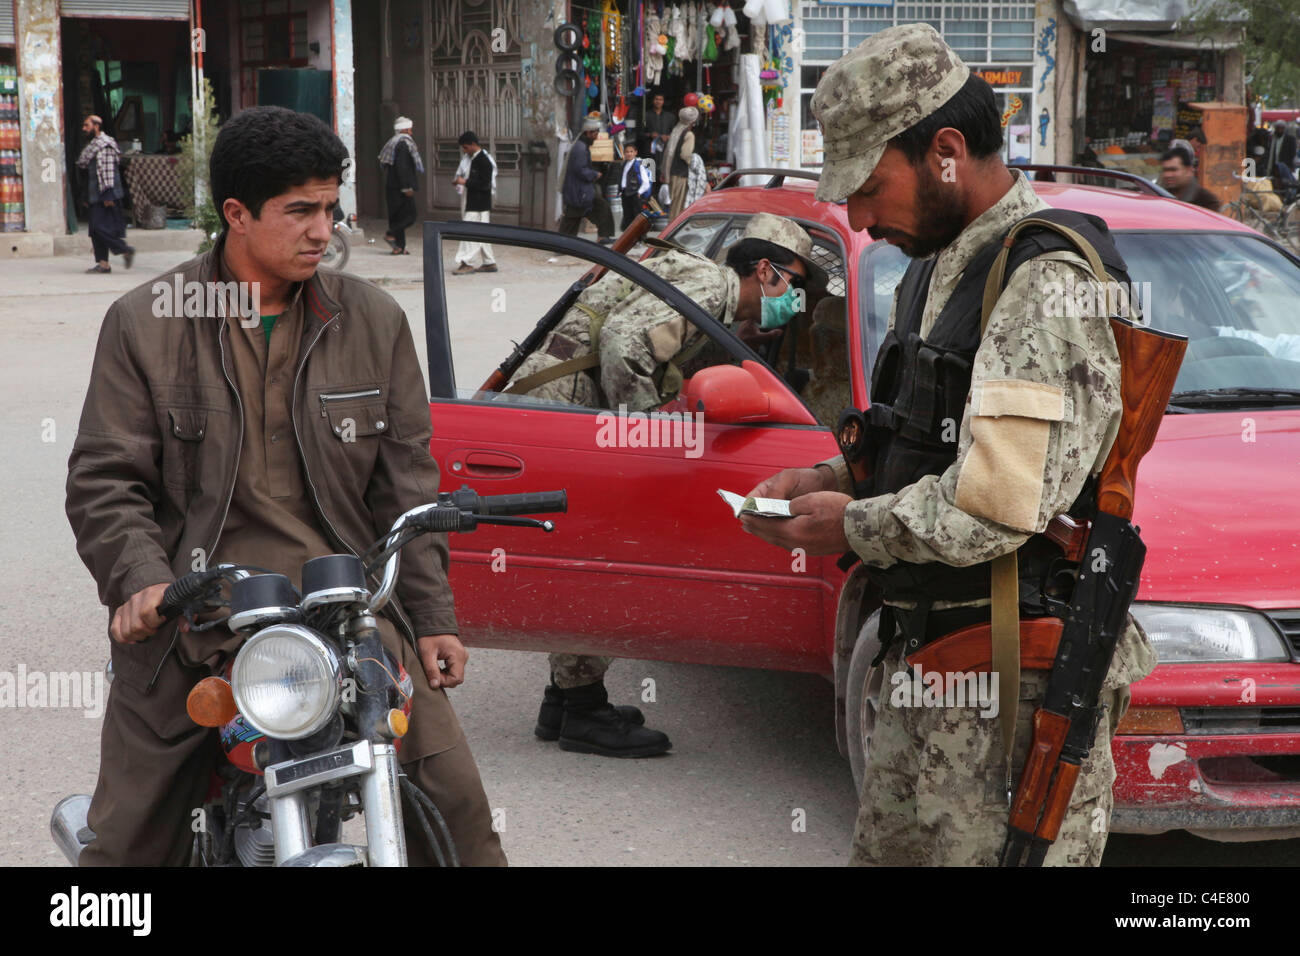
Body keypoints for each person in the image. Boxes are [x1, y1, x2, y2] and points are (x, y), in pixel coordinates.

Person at [740, 24, 1157, 867]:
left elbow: (997, 503)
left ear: (946, 152)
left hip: (1010, 696)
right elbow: (919, 442)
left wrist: (847, 526)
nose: (855, 217)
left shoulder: (1047, 281)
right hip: (924, 665)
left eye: (867, 186)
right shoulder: (938, 267)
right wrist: (829, 477)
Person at [65, 105, 505, 867]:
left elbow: (407, 481)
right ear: (236, 214)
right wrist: (139, 580)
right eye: (300, 210)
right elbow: (105, 478)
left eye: (331, 208)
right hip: (194, 620)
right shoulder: (145, 321)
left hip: (348, 615)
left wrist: (431, 615)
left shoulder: (371, 319)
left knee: (460, 814)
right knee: (124, 852)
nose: (322, 230)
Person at [507, 213, 824, 756]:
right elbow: (624, 346)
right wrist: (649, 442)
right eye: (793, 286)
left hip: (571, 414)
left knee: (590, 555)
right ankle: (583, 710)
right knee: (602, 560)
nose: (794, 302)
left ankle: (565, 700)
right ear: (765, 270)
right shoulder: (705, 284)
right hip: (571, 414)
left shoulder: (713, 297)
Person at [76, 114, 135, 274]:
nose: (84, 129)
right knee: (95, 231)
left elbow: (108, 172)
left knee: (99, 228)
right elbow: (86, 167)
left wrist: (108, 196)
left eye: (86, 125)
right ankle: (103, 264)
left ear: (96, 126)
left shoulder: (105, 145)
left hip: (106, 195)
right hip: (96, 195)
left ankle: (124, 249)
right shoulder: (94, 145)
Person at [558, 116, 614, 245]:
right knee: (575, 215)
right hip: (579, 190)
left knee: (596, 209)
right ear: (588, 133)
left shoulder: (580, 145)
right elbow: (580, 169)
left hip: (580, 189)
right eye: (595, 133)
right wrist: (595, 174)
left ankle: (563, 243)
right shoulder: (580, 148)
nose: (597, 136)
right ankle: (561, 244)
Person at [452, 130, 498, 275]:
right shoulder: (472, 159)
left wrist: (465, 182)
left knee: (469, 233)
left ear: (472, 145)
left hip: (478, 205)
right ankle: (489, 262)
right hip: (473, 202)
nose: (464, 151)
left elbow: (485, 185)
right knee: (482, 234)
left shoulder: (484, 161)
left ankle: (468, 262)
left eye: (465, 147)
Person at [379, 115, 423, 254]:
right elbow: (402, 167)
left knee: (398, 217)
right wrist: (406, 187)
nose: (411, 132)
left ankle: (399, 247)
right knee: (410, 216)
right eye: (409, 129)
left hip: (392, 186)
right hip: (400, 187)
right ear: (404, 130)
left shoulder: (393, 142)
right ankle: (390, 234)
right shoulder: (403, 144)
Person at [663, 106, 698, 221]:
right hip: (681, 174)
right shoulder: (689, 135)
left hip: (672, 173)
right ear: (693, 121)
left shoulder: (676, 131)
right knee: (679, 207)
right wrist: (696, 166)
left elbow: (668, 153)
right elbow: (685, 155)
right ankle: (672, 233)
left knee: (674, 205)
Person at [1160, 146, 1221, 210]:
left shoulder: (1206, 201)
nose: (1168, 175)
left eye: (1173, 170)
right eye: (1165, 170)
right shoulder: (1157, 196)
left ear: (1189, 171)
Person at [618, 142, 652, 231]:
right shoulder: (624, 164)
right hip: (625, 194)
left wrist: (639, 193)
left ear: (635, 152)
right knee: (627, 218)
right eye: (627, 152)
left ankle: (641, 238)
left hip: (635, 195)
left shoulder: (639, 165)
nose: (629, 154)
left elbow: (646, 182)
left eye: (631, 151)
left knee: (637, 218)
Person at [643, 92, 675, 184]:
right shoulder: (646, 115)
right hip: (650, 151)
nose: (658, 101)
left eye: (660, 99)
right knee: (650, 176)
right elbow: (639, 133)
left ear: (663, 101)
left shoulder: (670, 117)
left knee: (664, 174)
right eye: (656, 99)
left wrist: (668, 137)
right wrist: (650, 135)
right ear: (653, 101)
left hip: (665, 150)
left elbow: (674, 134)